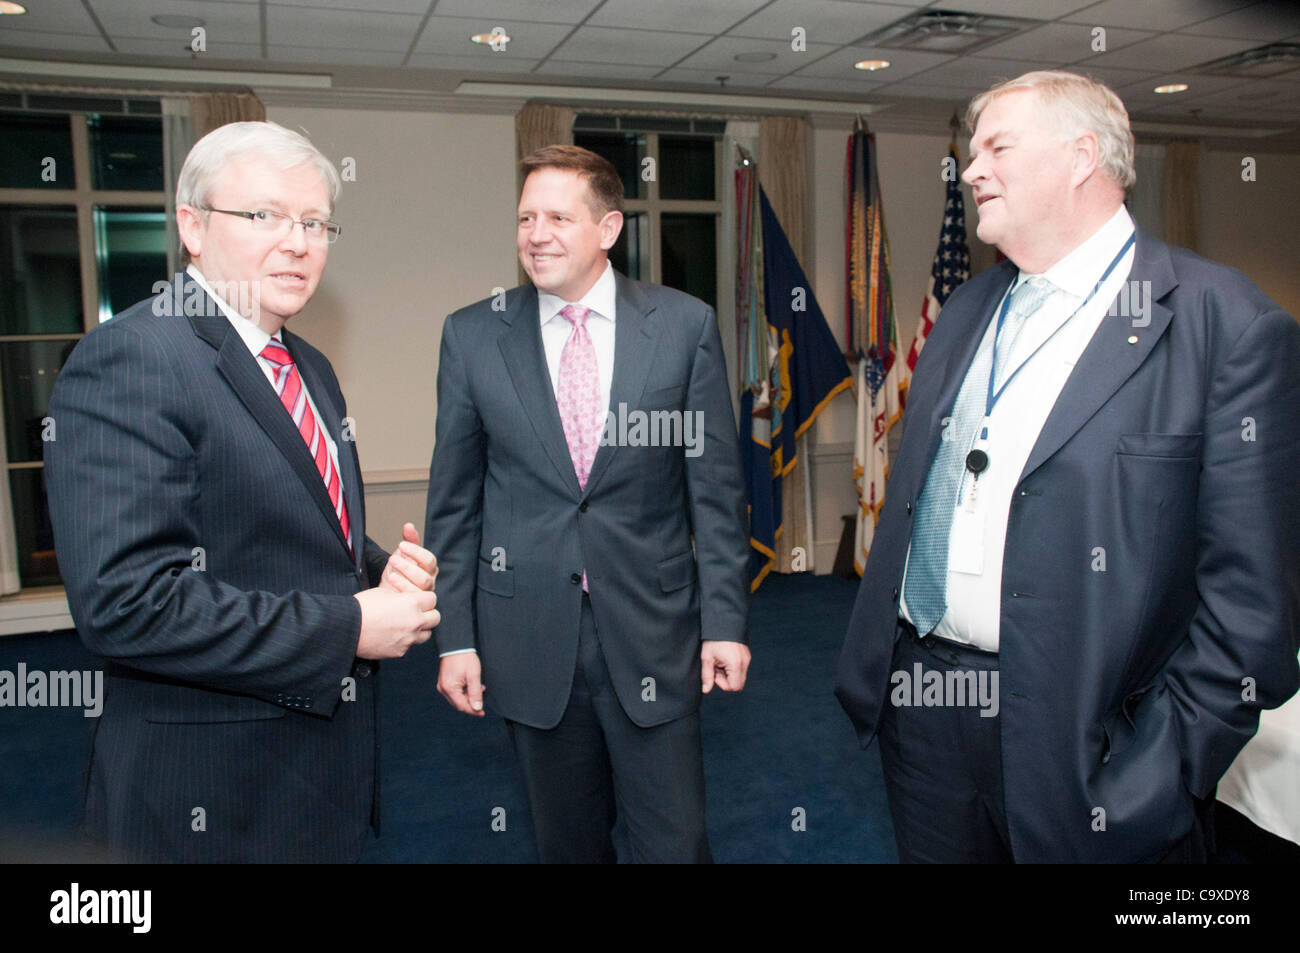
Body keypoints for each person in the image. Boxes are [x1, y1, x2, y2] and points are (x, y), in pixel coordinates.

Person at [834, 70, 1300, 863]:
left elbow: (1254, 614)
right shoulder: (967, 310)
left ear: (1082, 155)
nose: (971, 169)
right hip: (924, 716)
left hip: (1092, 744)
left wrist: (1162, 770)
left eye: (996, 148)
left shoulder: (1226, 326)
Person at [44, 120, 439, 863]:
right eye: (264, 216)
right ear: (192, 227)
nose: (297, 241)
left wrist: (376, 569)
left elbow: (284, 528)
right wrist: (348, 627)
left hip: (315, 776)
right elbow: (127, 603)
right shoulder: (133, 356)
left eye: (315, 221)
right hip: (206, 792)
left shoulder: (305, 362)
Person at [424, 144, 749, 863]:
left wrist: (725, 621)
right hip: (529, 637)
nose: (536, 233)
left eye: (558, 217)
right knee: (566, 844)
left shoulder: (684, 325)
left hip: (655, 633)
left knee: (676, 842)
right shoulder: (474, 334)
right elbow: (453, 505)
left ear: (608, 228)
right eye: (525, 217)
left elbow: (716, 495)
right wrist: (456, 635)